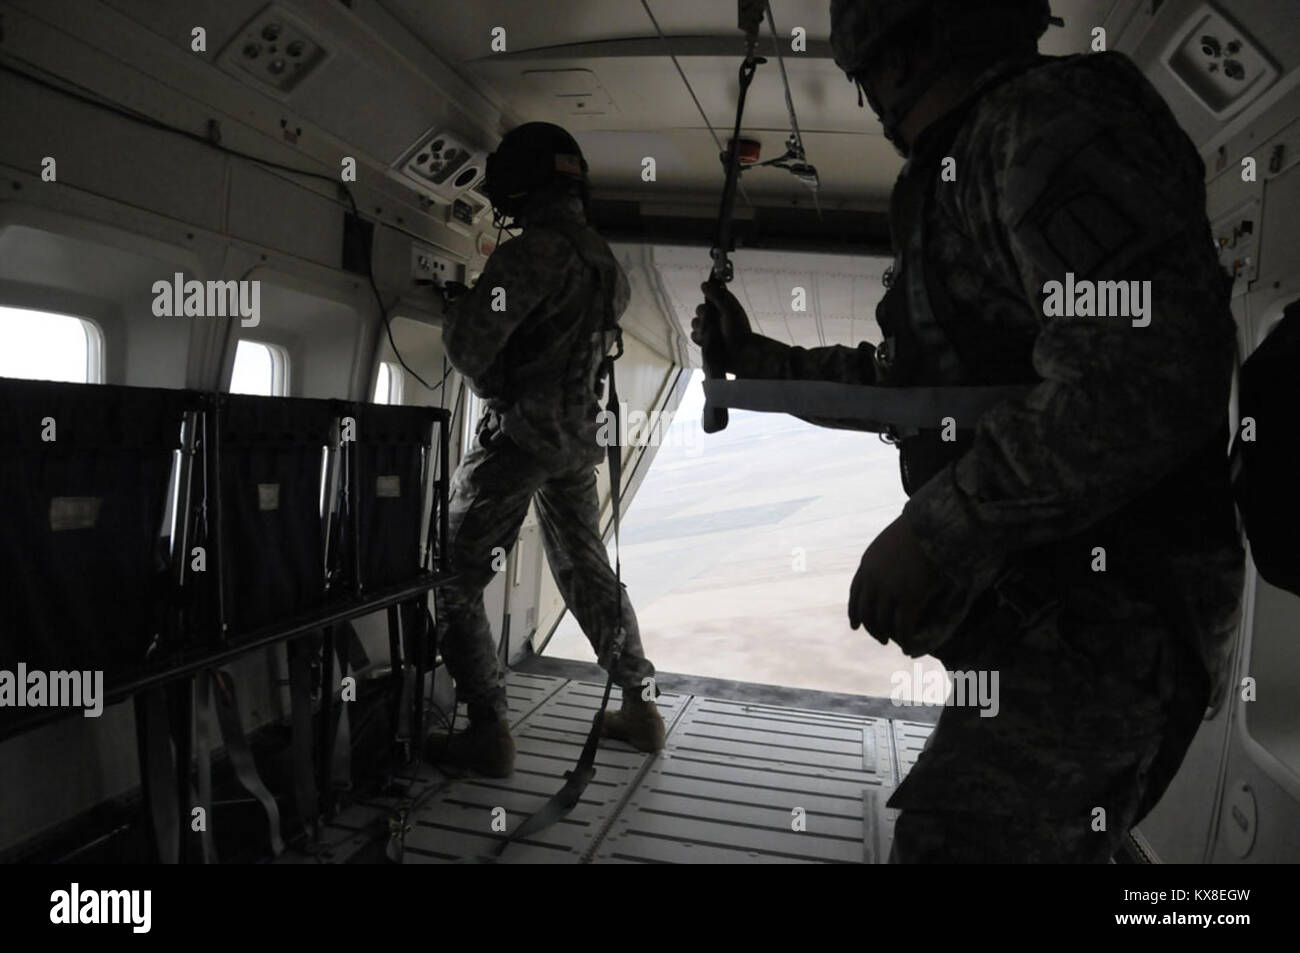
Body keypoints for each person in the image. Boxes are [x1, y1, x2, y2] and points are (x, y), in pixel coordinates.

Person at [692, 0, 1244, 861]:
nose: (869, 100)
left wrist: (938, 531)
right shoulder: (978, 155)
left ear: (903, 54)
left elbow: (1146, 366)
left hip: (1110, 618)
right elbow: (914, 386)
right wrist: (758, 363)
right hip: (1058, 615)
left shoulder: (1042, 126)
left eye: (865, 74)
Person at [429, 122, 665, 777]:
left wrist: (455, 310)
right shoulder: (605, 264)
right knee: (586, 571)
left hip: (520, 440)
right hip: (576, 444)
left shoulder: (529, 255)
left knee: (453, 577)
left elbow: (472, 351)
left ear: (522, 185)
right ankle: (641, 705)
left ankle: (487, 731)